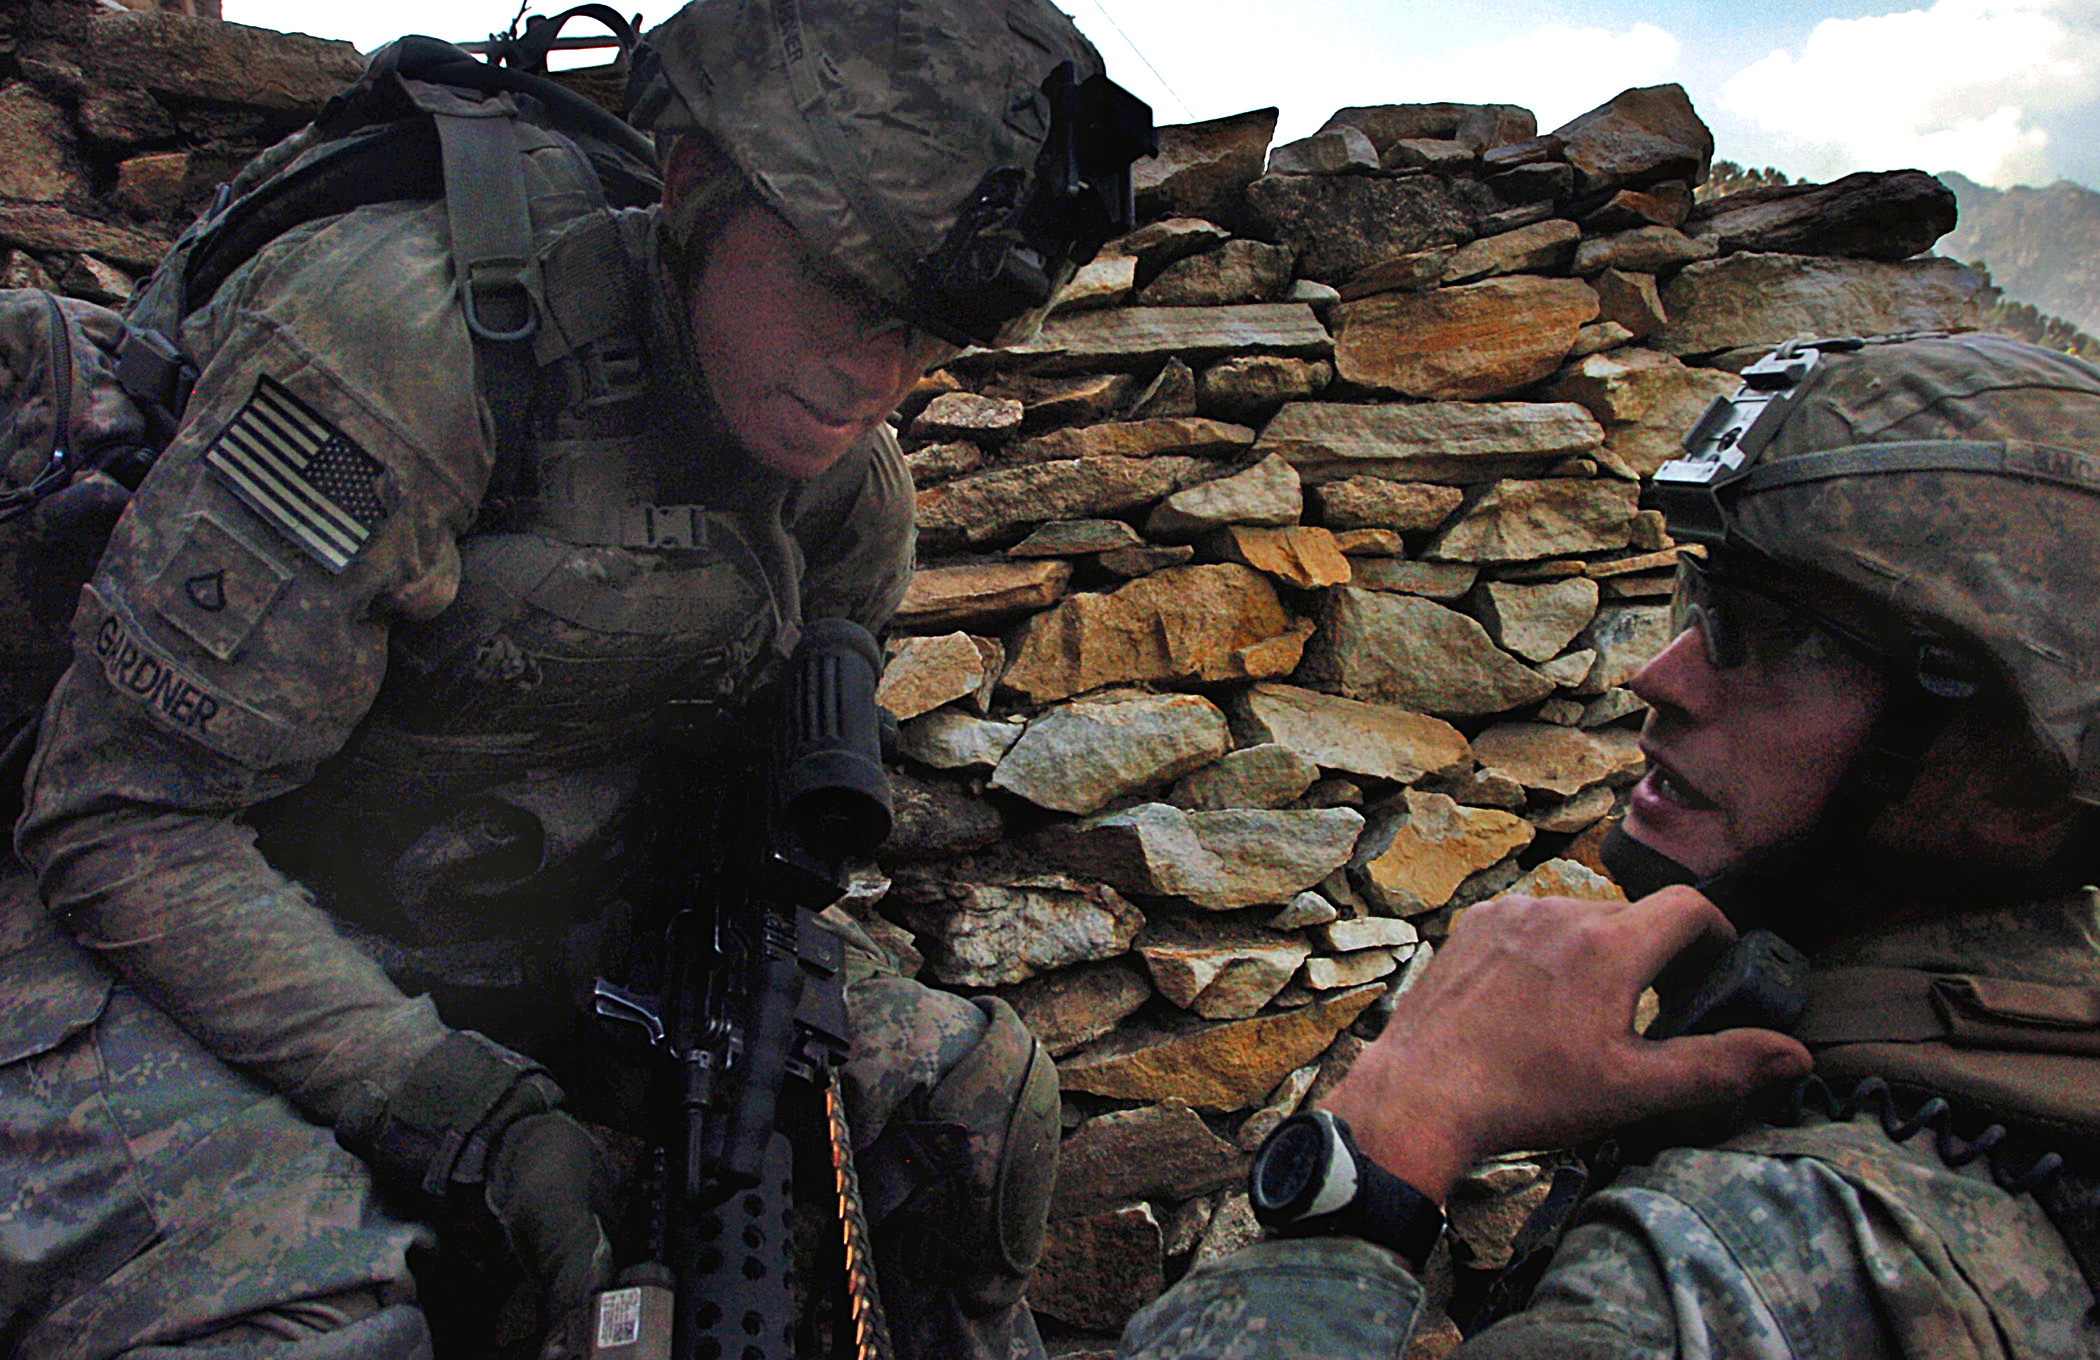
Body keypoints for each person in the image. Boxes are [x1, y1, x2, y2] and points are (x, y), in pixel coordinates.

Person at [0, 3, 1149, 1358]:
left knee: (975, 1107)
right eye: (845, 288)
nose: (877, 374)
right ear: (692, 190)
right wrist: (455, 1107)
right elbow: (116, 819)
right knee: (323, 1321)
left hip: (506, 923)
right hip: (144, 922)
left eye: (932, 329)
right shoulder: (399, 353)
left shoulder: (839, 498)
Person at [1117, 330, 2100, 1359]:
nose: (1659, 678)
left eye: (1785, 639)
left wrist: (1390, 1136)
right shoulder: (2019, 1062)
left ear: (2010, 757)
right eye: (1706, 606)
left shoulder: (1726, 1270)